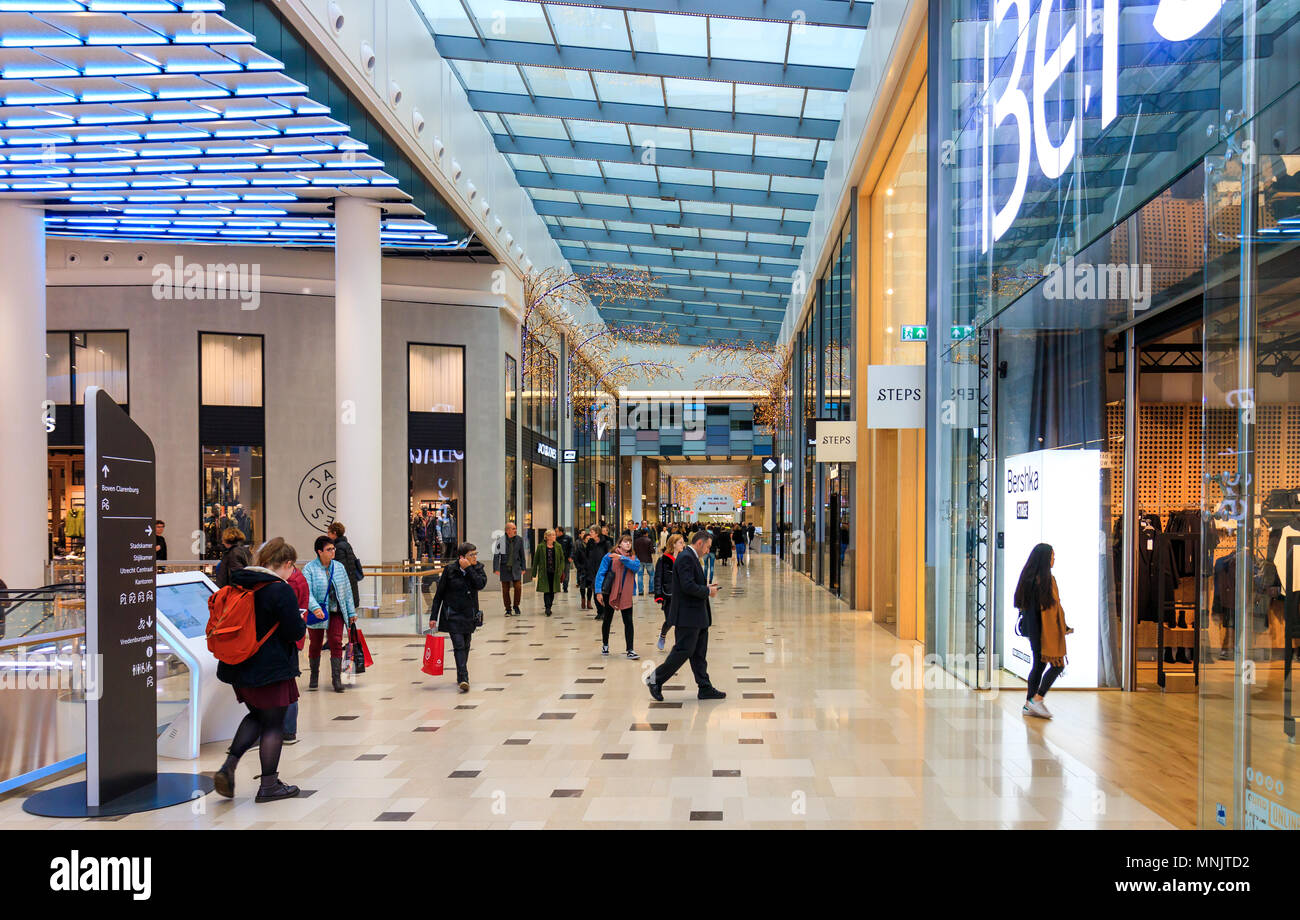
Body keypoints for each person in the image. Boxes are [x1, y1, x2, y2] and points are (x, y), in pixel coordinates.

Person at [211, 537, 307, 803]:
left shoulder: (240, 582)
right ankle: (269, 786)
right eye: (292, 567)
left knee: (258, 715)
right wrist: (299, 621)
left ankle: (228, 767)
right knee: (274, 723)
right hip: (270, 669)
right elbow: (293, 631)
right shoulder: (280, 589)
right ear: (287, 563)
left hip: (238, 665)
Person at [647, 529, 725, 702]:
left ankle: (704, 687)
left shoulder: (690, 557)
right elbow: (687, 586)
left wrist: (707, 587)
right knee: (683, 651)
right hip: (688, 615)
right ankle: (655, 680)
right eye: (707, 547)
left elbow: (690, 583)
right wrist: (707, 590)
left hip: (697, 615)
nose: (708, 550)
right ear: (699, 543)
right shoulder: (686, 558)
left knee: (698, 653)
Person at [1013, 543, 1071, 719]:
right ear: (1045, 558)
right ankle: (1035, 700)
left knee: (1039, 665)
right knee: (1056, 664)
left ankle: (1030, 703)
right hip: (1041, 631)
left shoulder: (1037, 579)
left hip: (1040, 630)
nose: (1054, 558)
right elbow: (1042, 610)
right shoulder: (1040, 582)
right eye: (1052, 555)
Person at [429, 542, 487, 692]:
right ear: (462, 557)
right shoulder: (450, 570)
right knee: (459, 645)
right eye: (471, 555)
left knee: (466, 645)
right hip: (452, 614)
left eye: (475, 554)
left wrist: (469, 569)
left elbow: (480, 584)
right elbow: (439, 595)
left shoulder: (478, 568)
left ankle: (460, 673)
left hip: (469, 614)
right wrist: (433, 616)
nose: (475, 557)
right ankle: (463, 677)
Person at [302, 535, 357, 693]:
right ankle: (314, 675)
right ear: (319, 552)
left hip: (336, 611)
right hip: (318, 613)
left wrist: (351, 612)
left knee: (336, 641)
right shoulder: (310, 568)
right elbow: (307, 592)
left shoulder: (339, 567)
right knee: (315, 644)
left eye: (333, 548)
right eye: (329, 549)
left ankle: (336, 679)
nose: (333, 551)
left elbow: (347, 591)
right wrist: (314, 608)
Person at [594, 534, 642, 659]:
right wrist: (598, 591)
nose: (628, 544)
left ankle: (630, 649)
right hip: (610, 592)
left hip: (625, 593)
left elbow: (636, 567)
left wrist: (621, 558)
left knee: (628, 621)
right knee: (607, 619)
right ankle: (605, 644)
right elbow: (601, 573)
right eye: (625, 542)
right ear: (619, 543)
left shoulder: (632, 557)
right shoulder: (609, 557)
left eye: (630, 542)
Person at [283, 551, 311, 745]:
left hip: (288, 640)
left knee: (286, 685)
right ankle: (288, 730)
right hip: (294, 638)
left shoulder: (291, 583)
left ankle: (287, 730)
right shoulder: (299, 578)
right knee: (289, 685)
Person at [654, 533, 684, 651]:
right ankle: (663, 635)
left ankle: (679, 644)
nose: (683, 545)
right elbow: (658, 577)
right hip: (668, 594)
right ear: (673, 544)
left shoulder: (684, 557)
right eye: (680, 542)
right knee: (670, 620)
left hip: (682, 594)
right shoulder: (664, 559)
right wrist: (658, 594)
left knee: (681, 620)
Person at [326, 521, 364, 608]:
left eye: (328, 532)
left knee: (344, 614)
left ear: (334, 533)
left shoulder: (338, 547)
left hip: (344, 587)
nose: (327, 535)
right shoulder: (346, 545)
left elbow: (340, 568)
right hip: (351, 583)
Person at [493, 522, 527, 617]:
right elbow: (496, 555)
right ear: (507, 530)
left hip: (516, 567)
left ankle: (516, 606)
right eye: (513, 528)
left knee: (518, 587)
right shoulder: (501, 540)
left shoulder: (519, 540)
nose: (515, 530)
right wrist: (496, 568)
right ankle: (508, 609)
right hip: (504, 568)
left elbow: (522, 555)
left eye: (515, 528)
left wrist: (523, 567)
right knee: (505, 589)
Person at [532, 529, 567, 616]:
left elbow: (562, 559)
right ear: (547, 537)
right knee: (546, 590)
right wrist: (534, 573)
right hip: (544, 572)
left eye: (554, 535)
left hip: (555, 572)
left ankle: (549, 606)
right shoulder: (540, 547)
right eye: (552, 535)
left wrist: (561, 569)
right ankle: (547, 608)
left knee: (552, 590)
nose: (554, 537)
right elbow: (536, 560)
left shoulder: (558, 546)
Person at [574, 528, 601, 612]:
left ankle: (589, 602)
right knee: (582, 586)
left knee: (590, 587)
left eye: (590, 538)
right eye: (587, 539)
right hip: (582, 570)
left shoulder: (593, 548)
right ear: (584, 539)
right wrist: (579, 567)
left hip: (590, 570)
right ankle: (583, 600)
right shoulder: (580, 548)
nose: (588, 540)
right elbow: (576, 558)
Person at [633, 528, 654, 596]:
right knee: (652, 575)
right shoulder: (649, 540)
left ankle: (640, 591)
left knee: (639, 575)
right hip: (648, 560)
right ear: (646, 533)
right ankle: (651, 590)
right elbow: (652, 551)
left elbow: (635, 550)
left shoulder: (636, 541)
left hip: (639, 560)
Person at [556, 525, 574, 594]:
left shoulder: (568, 538)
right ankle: (556, 587)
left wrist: (571, 556)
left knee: (566, 573)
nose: (556, 533)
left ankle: (565, 587)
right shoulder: (556, 539)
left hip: (566, 559)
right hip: (558, 560)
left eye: (557, 531)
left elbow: (571, 548)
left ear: (561, 532)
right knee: (557, 573)